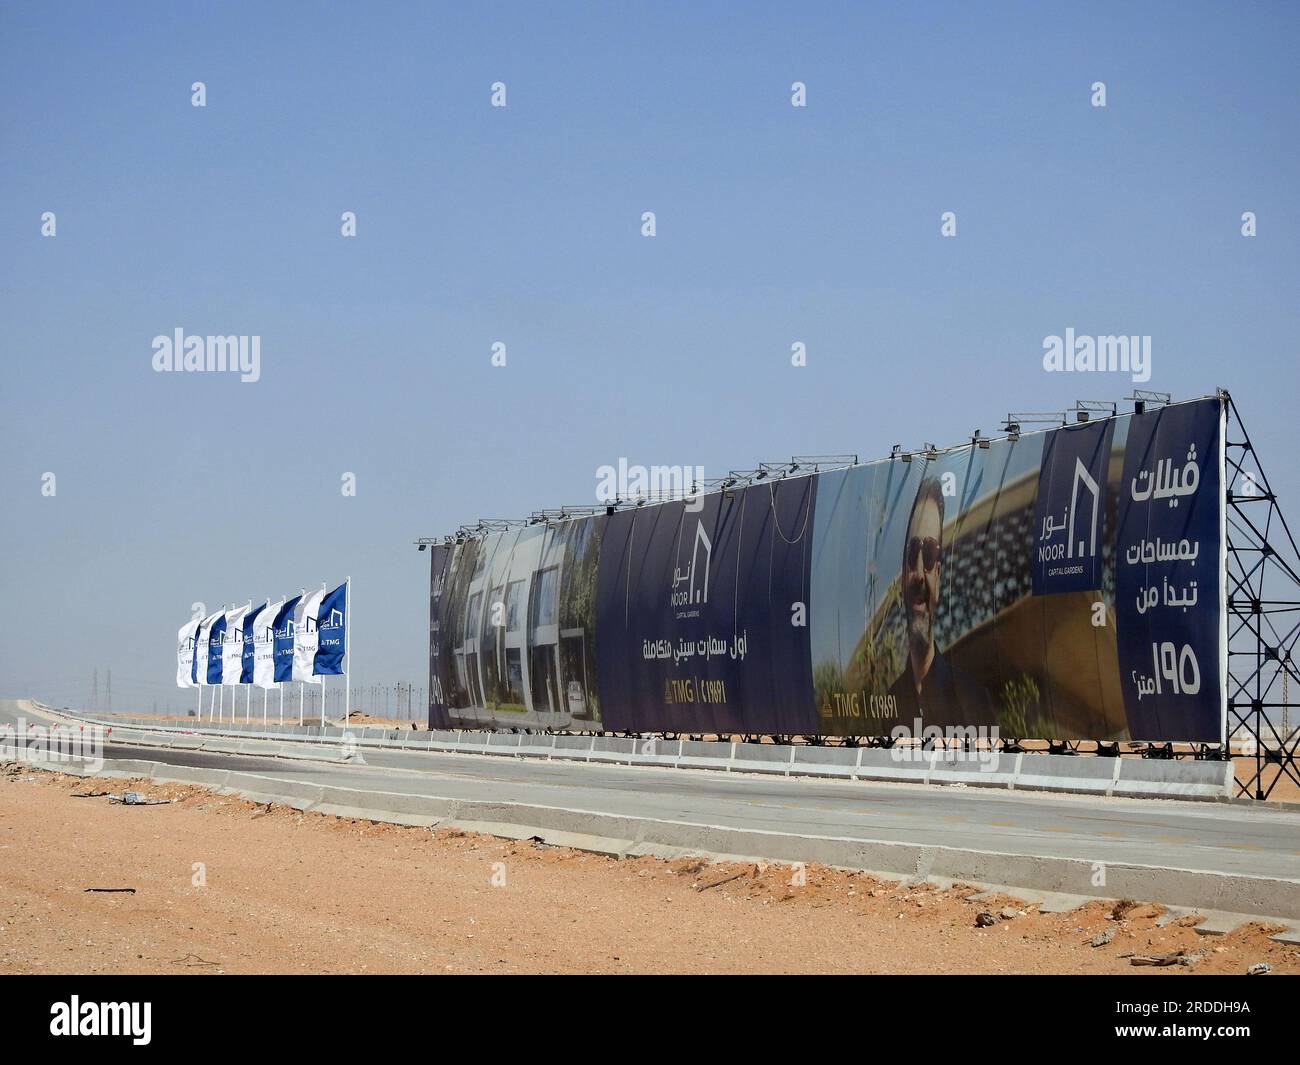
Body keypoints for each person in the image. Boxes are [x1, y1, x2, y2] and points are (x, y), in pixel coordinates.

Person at [887, 476, 993, 727]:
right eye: (913, 554)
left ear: (939, 574)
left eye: (930, 554)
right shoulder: (891, 702)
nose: (920, 574)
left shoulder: (974, 700)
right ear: (903, 574)